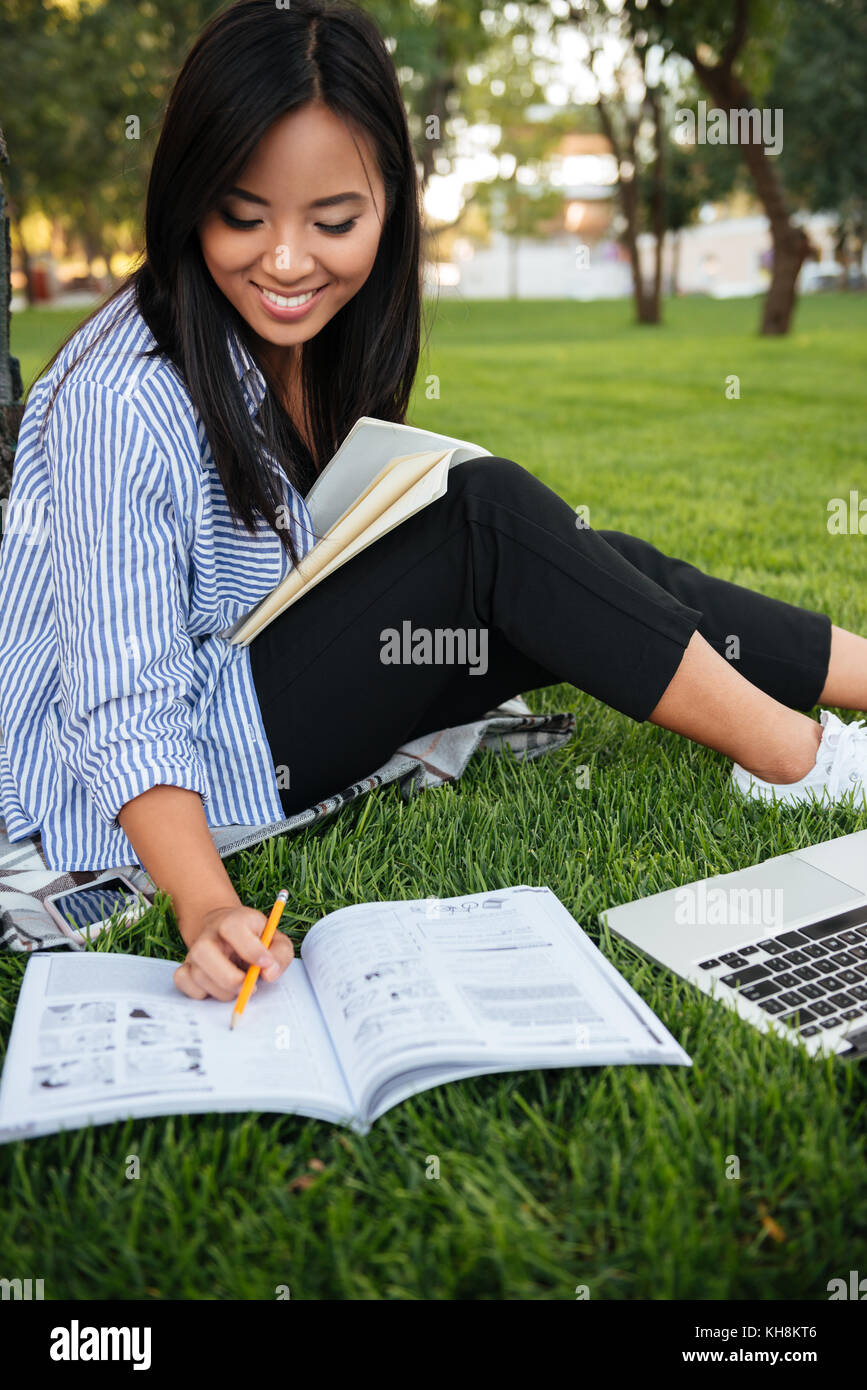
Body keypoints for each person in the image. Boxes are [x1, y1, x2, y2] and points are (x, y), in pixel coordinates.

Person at [0, 0, 865, 1006]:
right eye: (243, 216)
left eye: (333, 222)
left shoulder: (301, 341)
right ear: (188, 197)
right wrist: (203, 907)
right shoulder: (124, 394)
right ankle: (798, 765)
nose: (285, 260)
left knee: (582, 559)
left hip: (255, 671)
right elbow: (122, 704)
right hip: (153, 774)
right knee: (489, 522)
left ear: (390, 209)